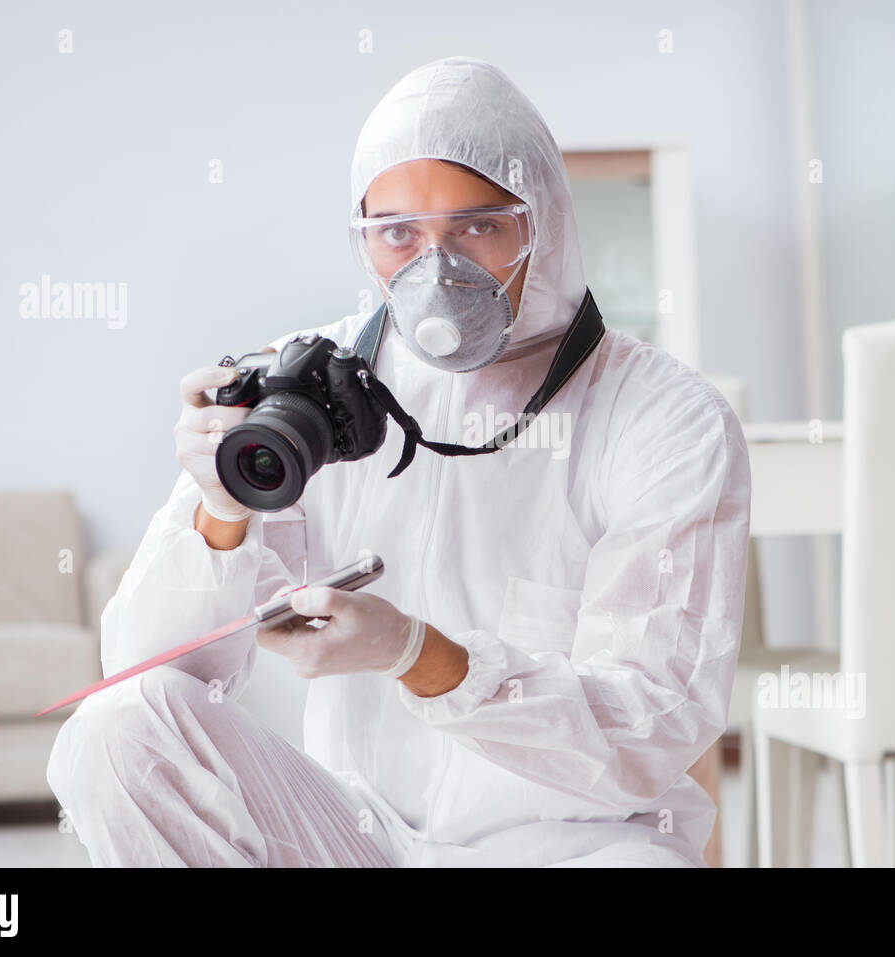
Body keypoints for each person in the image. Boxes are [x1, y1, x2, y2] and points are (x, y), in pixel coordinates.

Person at [47, 56, 751, 868]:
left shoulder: (665, 418)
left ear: (544, 221)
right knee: (117, 728)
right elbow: (153, 672)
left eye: (478, 226)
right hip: (360, 834)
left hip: (576, 845)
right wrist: (221, 511)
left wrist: (421, 655)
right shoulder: (316, 385)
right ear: (364, 241)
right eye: (398, 235)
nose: (434, 270)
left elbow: (649, 728)